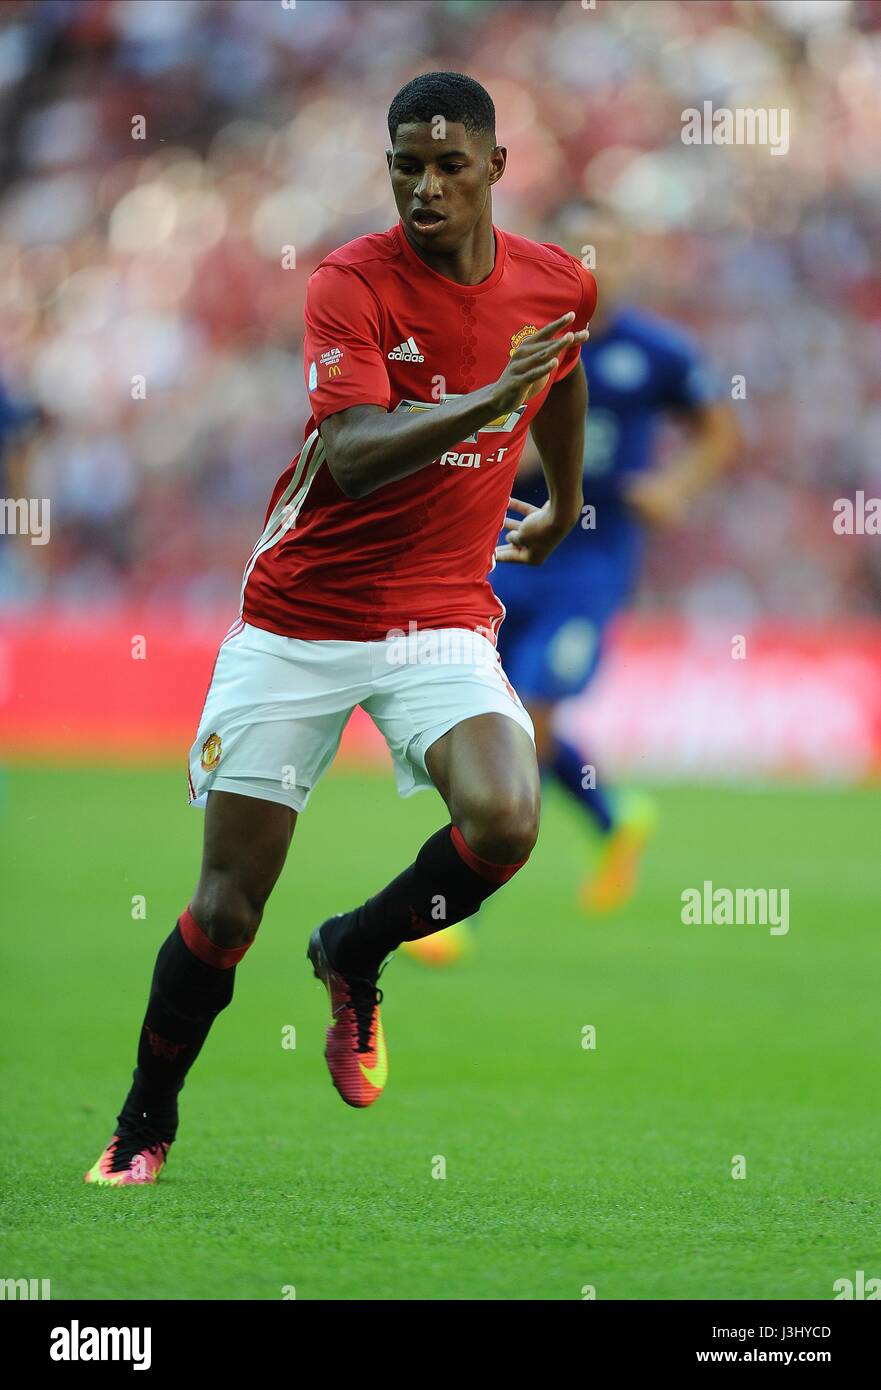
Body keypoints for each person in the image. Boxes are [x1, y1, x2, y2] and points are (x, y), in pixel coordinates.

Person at [85, 71, 596, 1186]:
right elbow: (358, 453)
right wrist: (483, 403)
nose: (423, 186)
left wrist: (558, 501)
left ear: (495, 170)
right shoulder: (348, 283)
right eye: (403, 165)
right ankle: (141, 1123)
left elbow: (557, 370)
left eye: (447, 166)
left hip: (440, 614)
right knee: (224, 911)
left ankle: (354, 949)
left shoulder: (554, 285)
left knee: (508, 817)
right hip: (298, 621)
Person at [403, 200, 739, 966]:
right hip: (505, 552)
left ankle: (454, 909)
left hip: (590, 564)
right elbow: (468, 430)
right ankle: (611, 814)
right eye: (580, 253)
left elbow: (719, 430)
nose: (596, 266)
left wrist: (678, 486)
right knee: (483, 719)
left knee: (527, 726)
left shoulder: (657, 351)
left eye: (610, 251)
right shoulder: (515, 336)